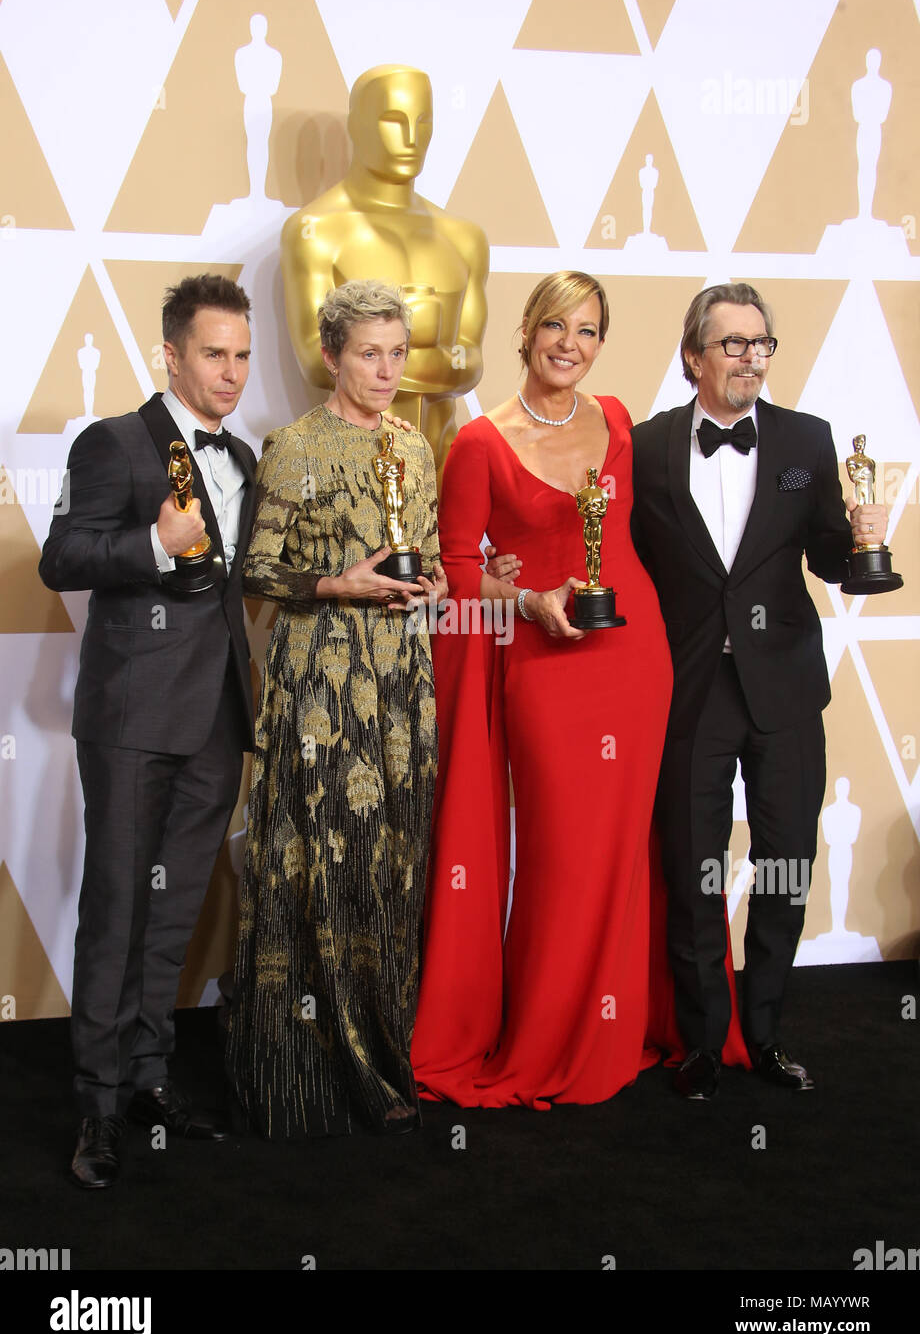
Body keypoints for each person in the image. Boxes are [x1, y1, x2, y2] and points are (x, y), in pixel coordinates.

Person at [411, 271, 740, 1109]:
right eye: (556, 326)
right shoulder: (480, 443)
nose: (571, 345)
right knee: (564, 857)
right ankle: (553, 1040)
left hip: (637, 666)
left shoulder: (622, 423)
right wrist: (520, 597)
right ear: (525, 332)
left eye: (589, 331)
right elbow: (454, 571)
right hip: (547, 670)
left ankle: (626, 1024)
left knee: (633, 855)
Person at [628, 282, 887, 1099]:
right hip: (691, 690)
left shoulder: (808, 441)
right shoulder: (644, 447)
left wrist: (863, 550)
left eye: (761, 343)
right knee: (695, 866)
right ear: (693, 357)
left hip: (783, 692)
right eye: (733, 343)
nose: (750, 358)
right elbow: (623, 566)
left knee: (785, 864)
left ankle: (765, 1034)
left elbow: (825, 556)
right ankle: (704, 1042)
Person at [39, 274, 258, 1187]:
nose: (233, 373)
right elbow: (62, 557)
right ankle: (95, 1108)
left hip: (216, 718)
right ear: (169, 354)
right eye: (215, 354)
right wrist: (157, 544)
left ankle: (148, 1077)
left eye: (244, 355)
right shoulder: (114, 443)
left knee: (171, 913)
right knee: (119, 907)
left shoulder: (242, 454)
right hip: (133, 717)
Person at [225, 279, 446, 1137]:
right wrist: (333, 584)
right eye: (368, 353)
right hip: (319, 676)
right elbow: (255, 572)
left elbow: (425, 562)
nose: (386, 369)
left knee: (392, 863)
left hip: (401, 678)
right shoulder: (293, 446)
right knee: (318, 862)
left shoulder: (416, 448)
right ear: (332, 356)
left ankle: (385, 1053)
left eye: (397, 352)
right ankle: (303, 1078)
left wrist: (431, 583)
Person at [281, 63, 488, 470]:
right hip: (349, 469)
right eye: (394, 120)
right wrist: (431, 343)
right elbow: (315, 360)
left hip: (443, 464)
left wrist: (370, 353)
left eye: (423, 122)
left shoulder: (464, 237)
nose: (411, 139)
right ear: (356, 126)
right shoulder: (316, 230)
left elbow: (471, 361)